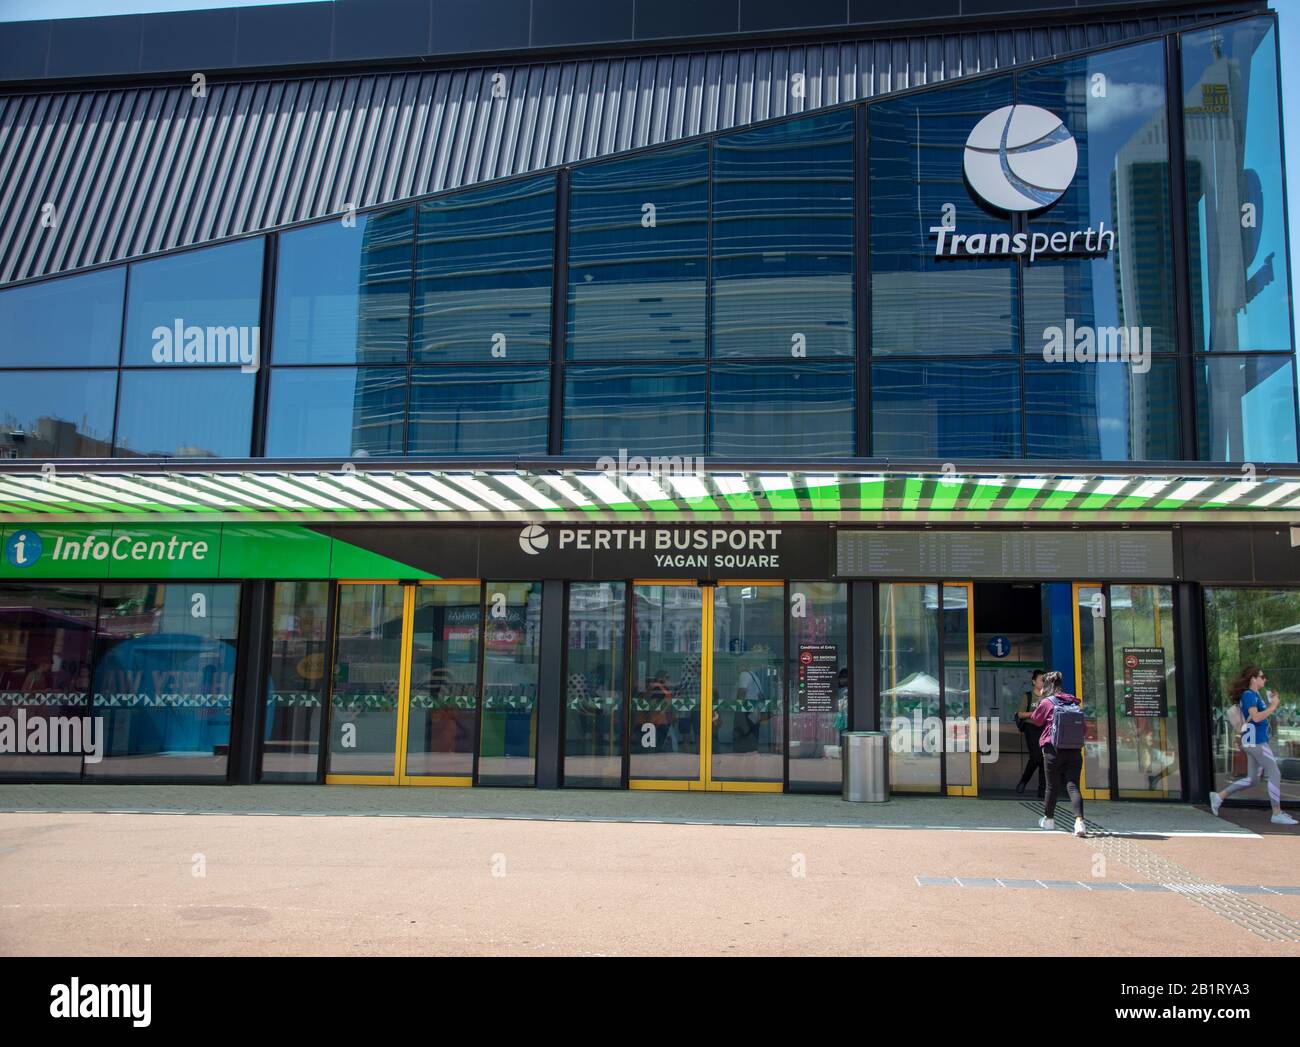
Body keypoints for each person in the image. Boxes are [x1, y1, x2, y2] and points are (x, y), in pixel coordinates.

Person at [1209, 667, 1298, 825]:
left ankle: (1218, 796)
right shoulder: (1249, 695)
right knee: (1275, 772)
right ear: (1253, 679)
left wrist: (1271, 704)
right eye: (1262, 676)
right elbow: (1256, 718)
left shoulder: (1254, 695)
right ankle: (1276, 813)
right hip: (1256, 742)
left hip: (1252, 741)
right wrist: (1273, 706)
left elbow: (1256, 716)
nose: (1265, 679)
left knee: (1252, 780)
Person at [1029, 670, 1087, 838]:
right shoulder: (1073, 702)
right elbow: (1083, 728)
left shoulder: (1048, 702)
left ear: (1046, 686)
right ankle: (1079, 822)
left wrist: (1041, 700)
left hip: (1053, 750)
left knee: (1052, 786)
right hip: (1074, 750)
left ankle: (1048, 819)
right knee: (1073, 786)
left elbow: (1036, 720)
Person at [1014, 669, 1046, 798]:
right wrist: (1035, 713)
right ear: (1034, 681)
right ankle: (1024, 781)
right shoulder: (1027, 696)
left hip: (1045, 728)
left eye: (1044, 680)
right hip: (1031, 727)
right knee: (1036, 757)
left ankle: (1042, 791)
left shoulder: (1048, 697)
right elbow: (1020, 714)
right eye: (1040, 680)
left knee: (1045, 759)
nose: (1043, 682)